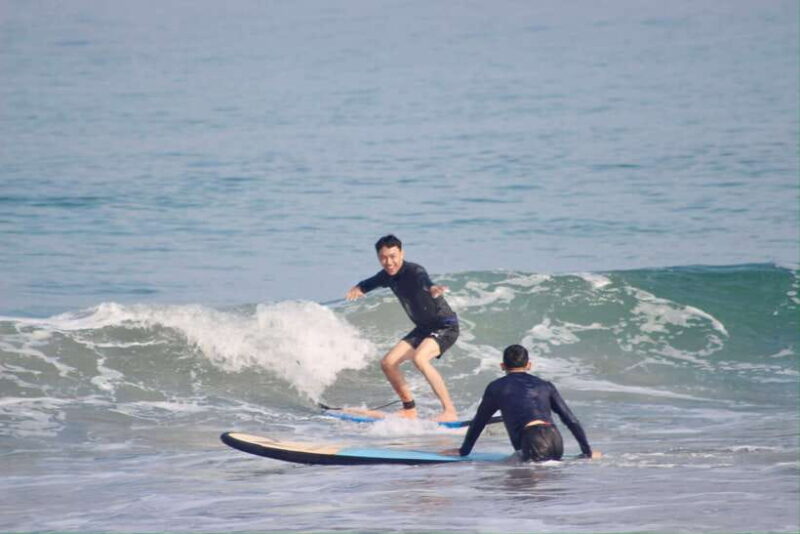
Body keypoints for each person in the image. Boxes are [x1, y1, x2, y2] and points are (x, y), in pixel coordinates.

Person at [346, 234, 459, 422]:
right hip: (423, 328)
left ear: (401, 253)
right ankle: (409, 409)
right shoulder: (387, 276)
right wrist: (358, 288)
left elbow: (424, 279)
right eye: (383, 257)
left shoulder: (414, 271)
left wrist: (432, 288)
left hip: (445, 325)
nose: (388, 262)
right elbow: (369, 283)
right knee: (388, 363)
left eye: (393, 256)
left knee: (420, 358)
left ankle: (449, 411)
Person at [457, 344, 601, 461]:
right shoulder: (545, 385)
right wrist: (587, 451)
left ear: (502, 366)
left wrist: (464, 451)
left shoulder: (497, 387)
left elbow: (480, 421)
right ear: (529, 365)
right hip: (556, 440)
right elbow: (571, 420)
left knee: (526, 490)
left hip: (533, 442)